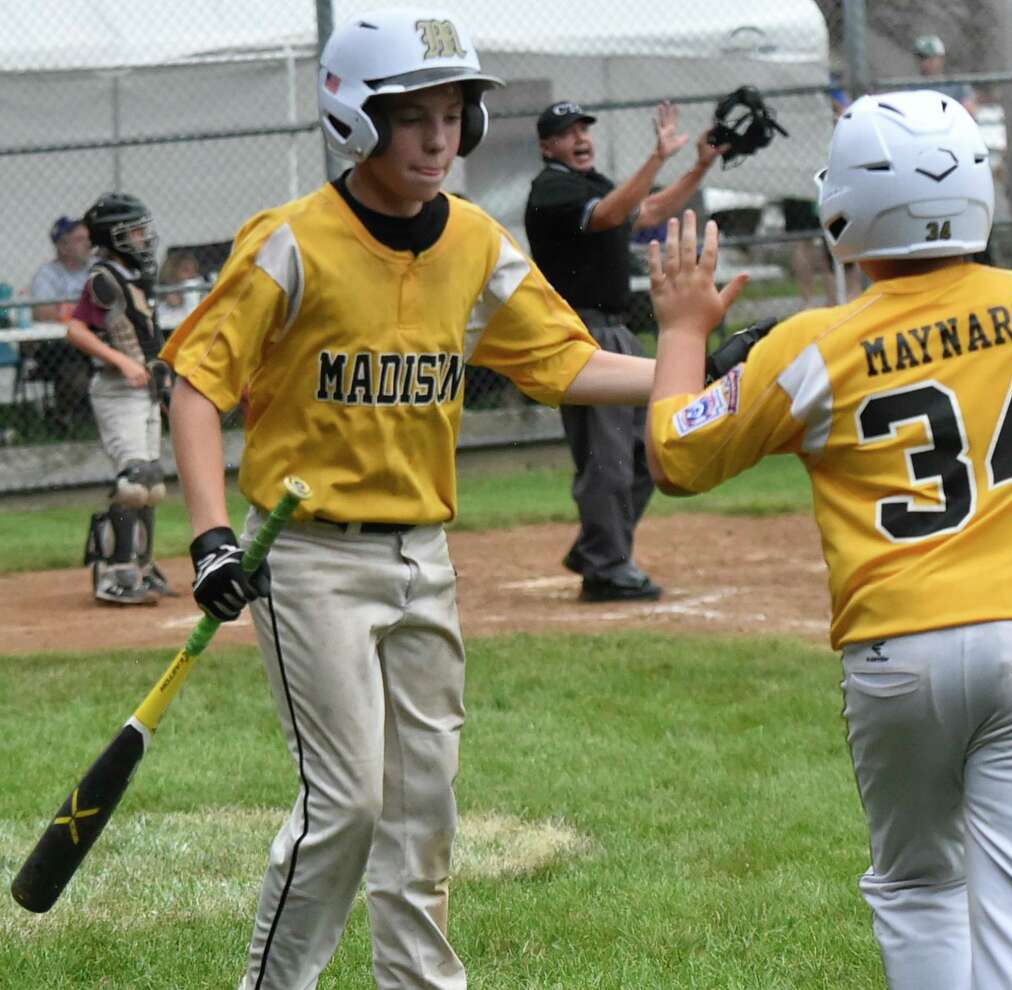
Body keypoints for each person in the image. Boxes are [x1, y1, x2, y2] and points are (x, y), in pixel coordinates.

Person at [643, 91, 1012, 990]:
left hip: (898, 652)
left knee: (919, 885)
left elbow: (674, 458)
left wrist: (680, 329)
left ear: (848, 206)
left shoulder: (814, 344)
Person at [160, 8, 657, 989]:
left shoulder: (473, 240)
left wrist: (694, 373)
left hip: (423, 557)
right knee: (345, 805)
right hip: (309, 556)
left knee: (424, 810)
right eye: (413, 117)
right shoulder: (291, 242)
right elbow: (197, 383)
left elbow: (564, 363)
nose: (438, 139)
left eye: (454, 116)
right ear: (355, 119)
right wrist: (213, 536)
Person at [524, 97, 725, 602]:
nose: (581, 138)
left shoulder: (590, 184)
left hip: (615, 331)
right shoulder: (552, 190)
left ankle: (598, 549)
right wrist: (657, 157)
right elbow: (613, 213)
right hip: (582, 334)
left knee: (648, 447)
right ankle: (607, 568)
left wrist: (699, 166)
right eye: (567, 133)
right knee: (607, 458)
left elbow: (648, 210)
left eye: (584, 129)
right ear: (547, 147)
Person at [64, 193, 174, 605]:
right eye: (134, 233)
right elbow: (75, 330)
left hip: (143, 392)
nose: (144, 239)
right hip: (116, 390)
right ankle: (114, 573)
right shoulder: (104, 278)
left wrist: (163, 385)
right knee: (134, 482)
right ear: (113, 236)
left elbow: (147, 339)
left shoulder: (134, 278)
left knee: (151, 483)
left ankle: (141, 566)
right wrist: (122, 362)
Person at [781, 83, 861, 308]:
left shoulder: (823, 83)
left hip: (823, 169)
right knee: (805, 239)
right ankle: (810, 301)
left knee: (834, 235)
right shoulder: (794, 87)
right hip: (800, 173)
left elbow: (848, 114)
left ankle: (840, 298)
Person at [29, 215, 94, 432]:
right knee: (74, 369)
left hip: (95, 336)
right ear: (63, 246)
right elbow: (43, 312)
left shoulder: (95, 269)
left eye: (88, 238)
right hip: (60, 344)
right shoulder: (48, 274)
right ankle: (62, 416)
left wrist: (70, 309)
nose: (88, 244)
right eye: (80, 239)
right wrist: (86, 310)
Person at [912, 34, 978, 117]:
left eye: (929, 58)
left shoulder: (956, 85)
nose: (924, 63)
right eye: (921, 58)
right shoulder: (911, 87)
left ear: (941, 59)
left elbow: (970, 112)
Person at [156, 250, 203, 331]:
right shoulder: (160, 307)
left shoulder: (200, 293)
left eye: (195, 270)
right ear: (172, 274)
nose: (192, 275)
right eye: (185, 270)